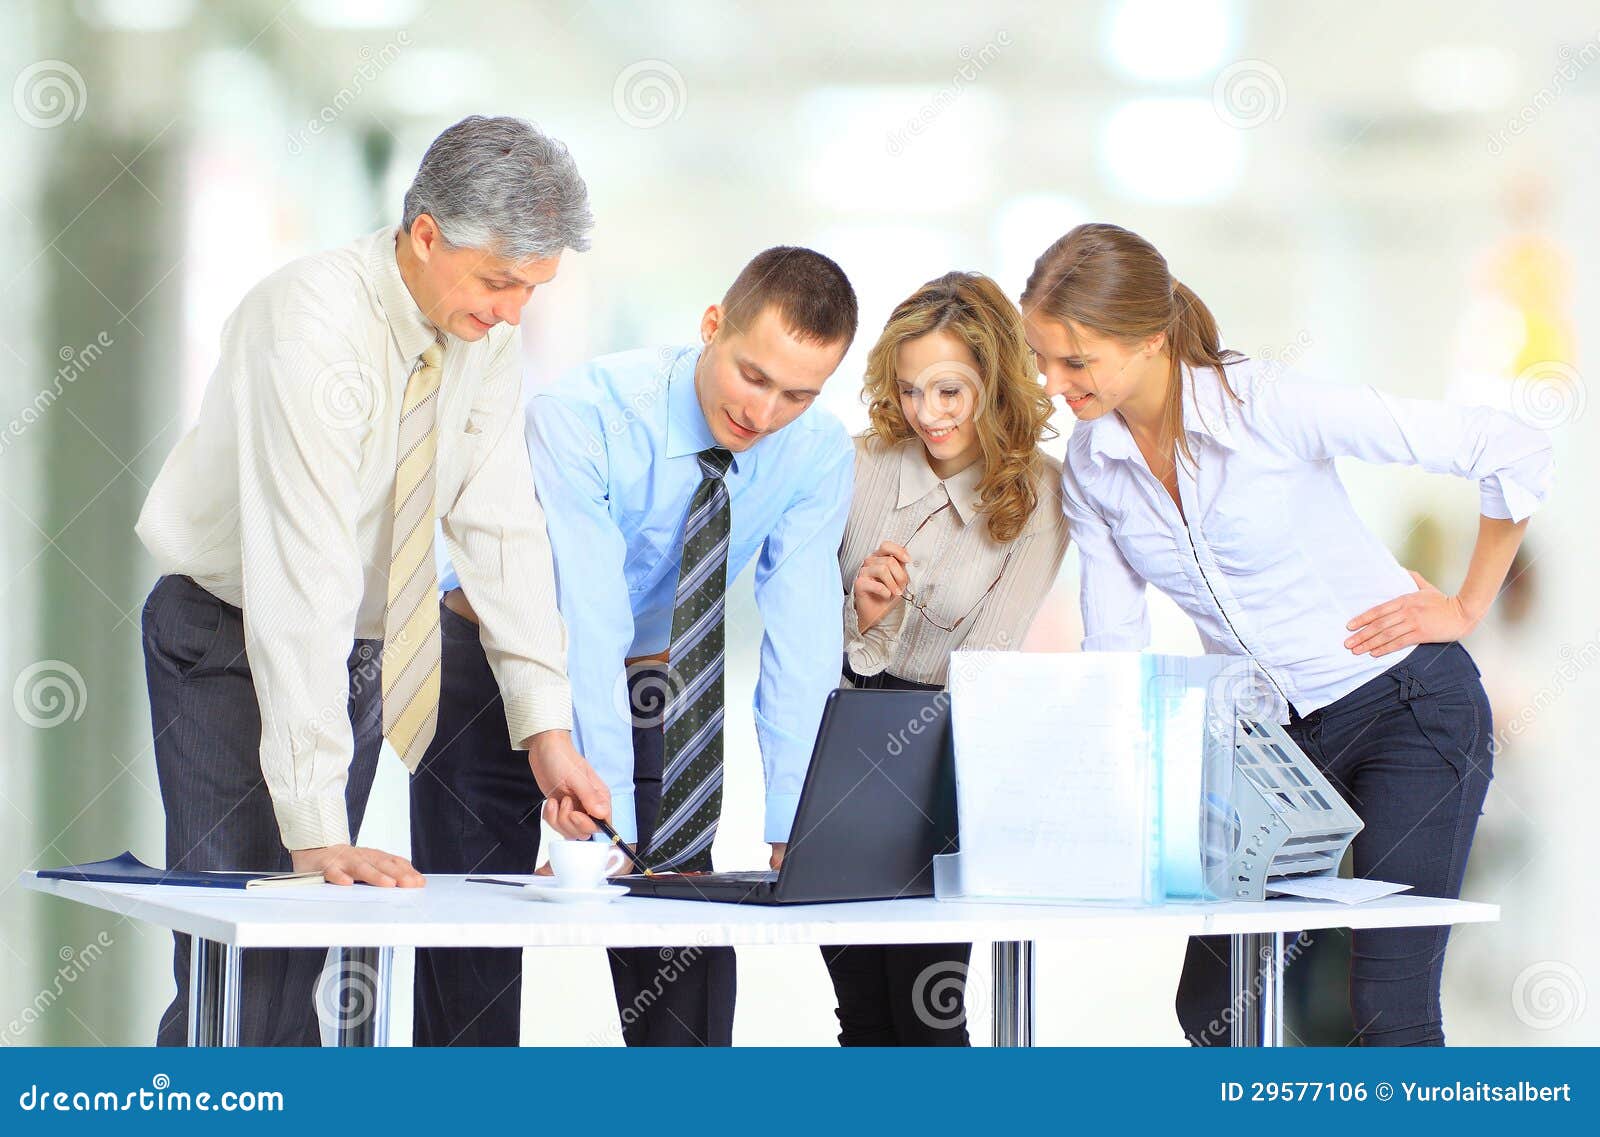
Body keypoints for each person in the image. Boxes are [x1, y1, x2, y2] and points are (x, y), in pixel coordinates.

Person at [135, 115, 611, 1047]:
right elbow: (300, 569)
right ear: (425, 234)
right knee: (246, 965)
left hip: (348, 643)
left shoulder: (481, 337)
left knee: (301, 954)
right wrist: (316, 825)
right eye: (500, 281)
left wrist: (545, 728)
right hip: (230, 631)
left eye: (532, 288)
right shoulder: (308, 323)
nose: (514, 312)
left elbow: (500, 526)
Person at [1022, 222, 1554, 1046]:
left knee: (1389, 1005)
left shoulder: (1266, 405)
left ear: (1150, 337)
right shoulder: (1094, 468)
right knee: (1213, 1008)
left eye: (1075, 361)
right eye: (1042, 359)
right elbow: (1116, 648)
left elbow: (1508, 446)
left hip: (1407, 706)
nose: (1053, 383)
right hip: (1271, 746)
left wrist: (1466, 606)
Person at [410, 246, 859, 1046]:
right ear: (713, 325)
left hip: (648, 683)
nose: (763, 413)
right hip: (489, 669)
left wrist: (799, 821)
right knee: (470, 956)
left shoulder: (817, 451)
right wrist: (602, 811)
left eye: (797, 394)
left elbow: (802, 634)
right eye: (753, 376)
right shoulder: (583, 413)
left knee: (680, 942)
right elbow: (586, 611)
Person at [822, 271, 1070, 1045]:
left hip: (945, 756)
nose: (927, 413)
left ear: (994, 383)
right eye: (909, 390)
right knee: (862, 1017)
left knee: (929, 1017)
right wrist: (863, 618)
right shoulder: (852, 465)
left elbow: (986, 666)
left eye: (949, 391)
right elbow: (799, 632)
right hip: (839, 745)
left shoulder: (1040, 493)